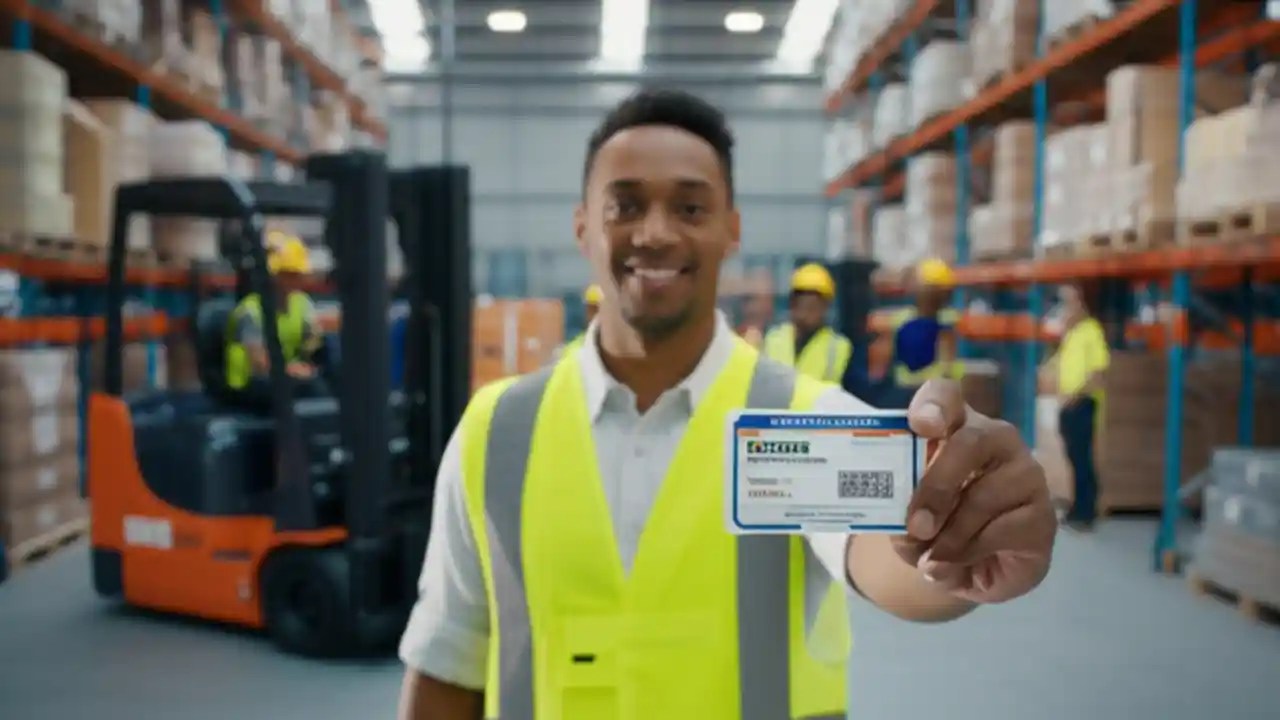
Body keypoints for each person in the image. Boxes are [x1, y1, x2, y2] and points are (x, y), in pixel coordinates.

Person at [396, 88, 1056, 720]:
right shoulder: (499, 432)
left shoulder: (801, 420)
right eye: (624, 206)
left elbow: (881, 555)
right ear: (582, 227)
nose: (654, 234)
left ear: (730, 229)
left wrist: (958, 558)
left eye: (689, 208)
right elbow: (449, 658)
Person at [223, 231, 329, 410]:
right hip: (249, 384)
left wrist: (313, 351)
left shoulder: (302, 305)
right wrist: (292, 370)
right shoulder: (250, 312)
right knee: (306, 389)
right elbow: (259, 363)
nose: (294, 281)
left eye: (297, 274)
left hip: (285, 378)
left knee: (322, 387)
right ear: (273, 276)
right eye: (287, 274)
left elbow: (313, 343)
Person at [1048, 282, 1109, 531]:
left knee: (1082, 458)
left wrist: (1076, 395)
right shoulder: (1070, 334)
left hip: (1082, 402)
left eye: (1070, 303)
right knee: (1073, 457)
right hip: (1067, 403)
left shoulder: (1091, 331)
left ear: (1081, 305)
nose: (1066, 309)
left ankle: (1086, 512)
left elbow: (1098, 370)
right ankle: (1076, 509)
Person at [879, 258, 963, 408]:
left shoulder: (946, 321)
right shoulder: (902, 319)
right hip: (904, 389)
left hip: (933, 391)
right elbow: (888, 356)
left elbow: (947, 361)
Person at [763, 263, 853, 384]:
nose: (805, 311)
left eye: (813, 304)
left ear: (825, 307)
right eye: (801, 301)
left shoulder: (838, 347)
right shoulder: (773, 339)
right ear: (792, 303)